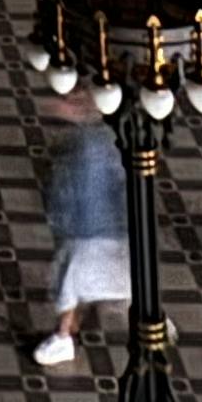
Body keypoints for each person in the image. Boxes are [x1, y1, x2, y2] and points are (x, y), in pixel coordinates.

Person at [32, 88, 131, 371]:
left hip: (90, 232)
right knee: (111, 282)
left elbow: (83, 190)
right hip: (95, 229)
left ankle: (64, 337)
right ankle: (70, 329)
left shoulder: (93, 145)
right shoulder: (96, 141)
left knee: (72, 283)